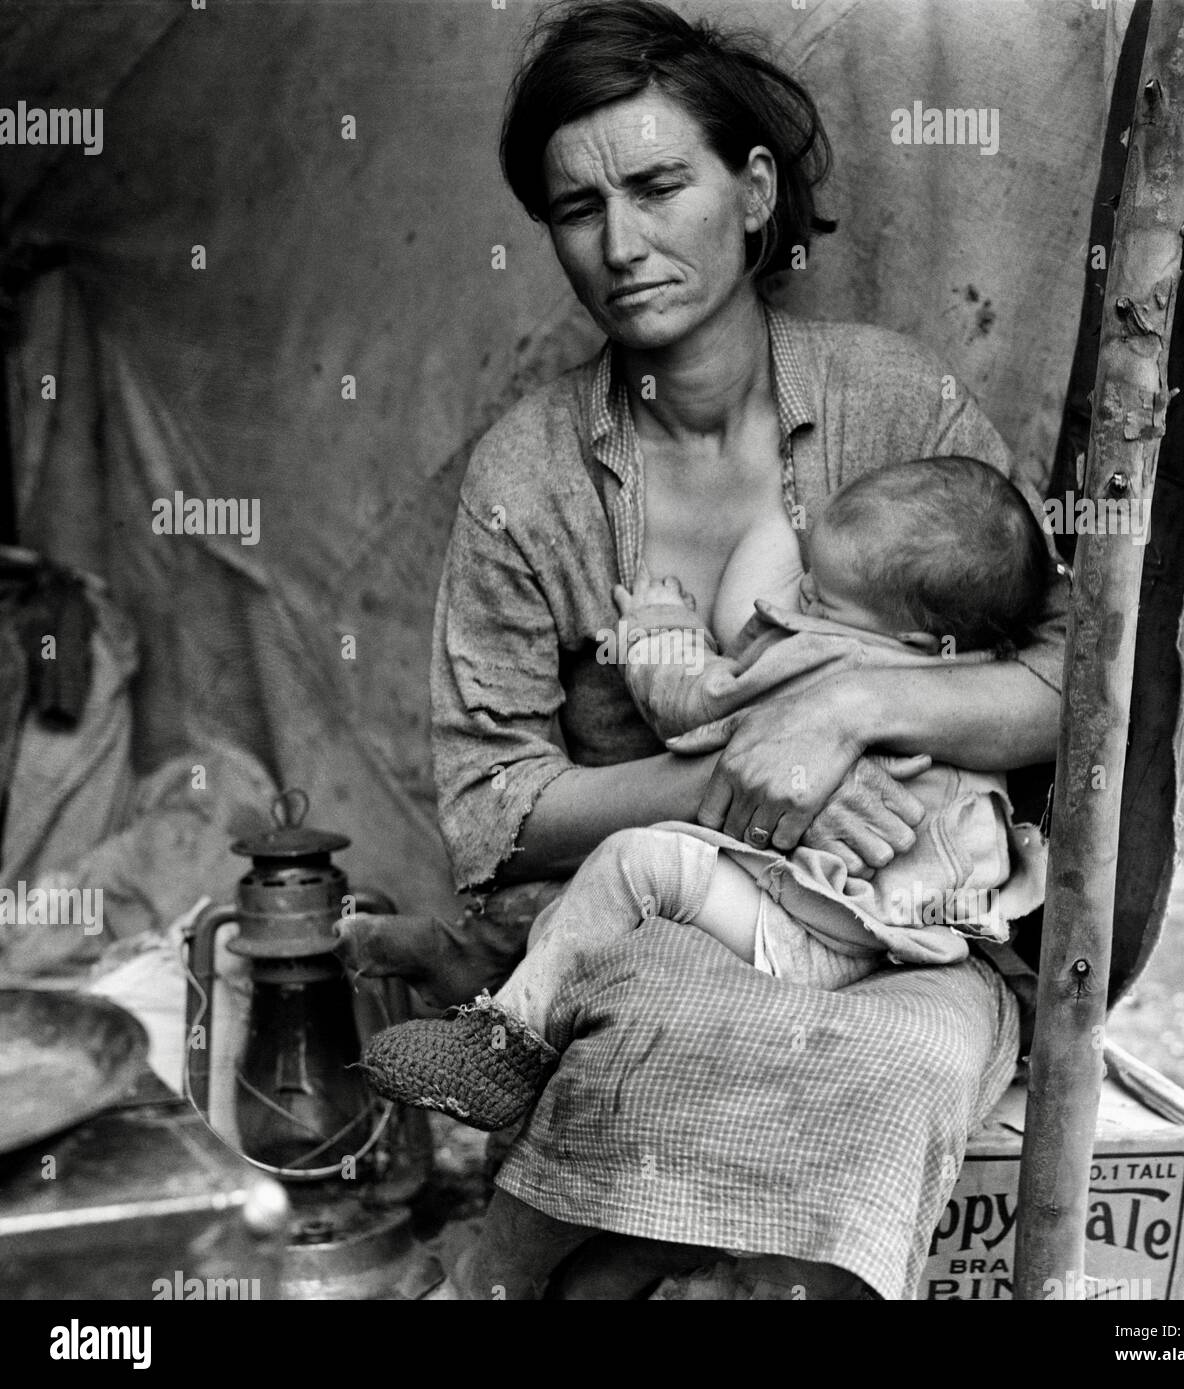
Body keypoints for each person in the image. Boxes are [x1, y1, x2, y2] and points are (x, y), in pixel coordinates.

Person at [336, 0, 1068, 1300]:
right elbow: (489, 807)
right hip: (683, 917)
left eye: (660, 184)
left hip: (917, 937)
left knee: (892, 1078)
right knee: (655, 1030)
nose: (621, 244)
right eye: (577, 208)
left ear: (751, 190)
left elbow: (1069, 688)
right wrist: (743, 777)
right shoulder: (531, 471)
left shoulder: (897, 406)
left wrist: (845, 710)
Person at [359, 454, 1055, 1133]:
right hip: (906, 927)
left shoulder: (828, 655)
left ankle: (503, 1047)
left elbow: (696, 701)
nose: (799, 594)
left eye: (819, 595)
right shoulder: (974, 670)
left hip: (820, 934)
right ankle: (491, 973)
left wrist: (660, 629)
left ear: (906, 634)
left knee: (635, 863)